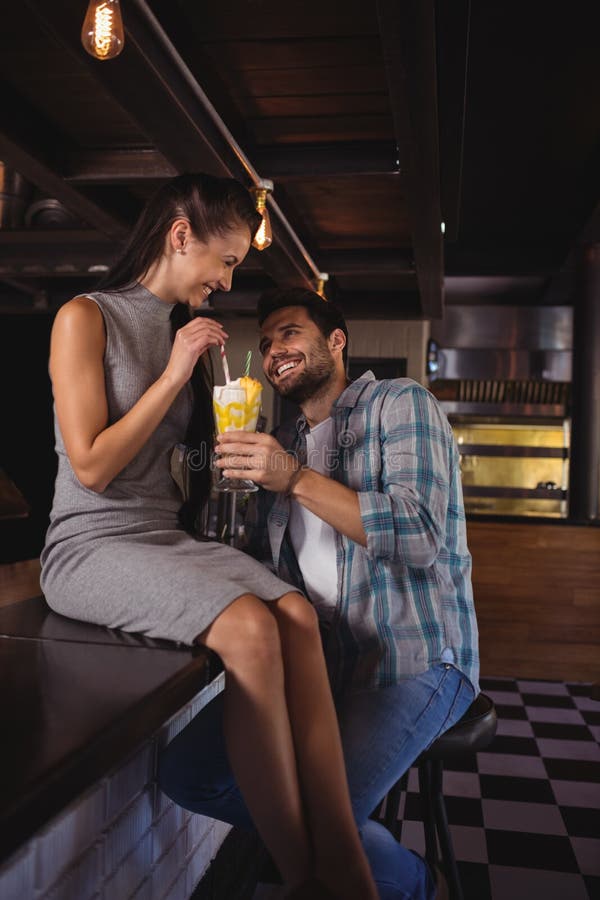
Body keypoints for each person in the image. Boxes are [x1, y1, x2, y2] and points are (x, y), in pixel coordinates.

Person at [39, 178, 379, 900]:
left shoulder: (180, 332)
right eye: (224, 262)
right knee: (252, 629)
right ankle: (305, 877)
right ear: (179, 236)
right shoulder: (84, 317)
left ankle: (343, 855)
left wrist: (226, 459)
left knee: (296, 617)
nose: (226, 281)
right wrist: (174, 371)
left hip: (159, 537)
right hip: (88, 544)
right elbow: (94, 467)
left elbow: (177, 466)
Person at [158, 286, 480, 900]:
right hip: (323, 668)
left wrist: (295, 480)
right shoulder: (284, 442)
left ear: (336, 342)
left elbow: (420, 537)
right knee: (188, 774)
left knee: (318, 812)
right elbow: (260, 568)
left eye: (291, 332)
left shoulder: (399, 404)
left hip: (415, 660)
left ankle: (415, 884)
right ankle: (368, 862)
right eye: (268, 338)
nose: (275, 347)